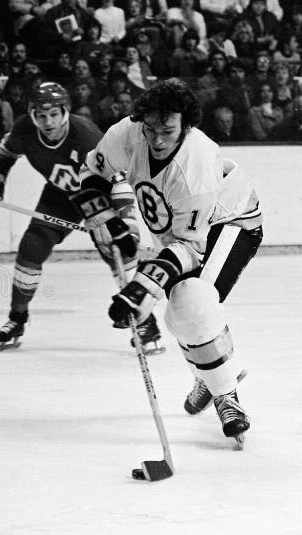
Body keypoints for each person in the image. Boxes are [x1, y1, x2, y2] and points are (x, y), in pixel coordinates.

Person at [72, 78, 262, 443]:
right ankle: (208, 375)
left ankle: (226, 396)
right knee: (180, 311)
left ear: (186, 126)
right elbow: (92, 173)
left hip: (230, 222)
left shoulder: (196, 166)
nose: (157, 140)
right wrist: (108, 219)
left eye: (168, 131)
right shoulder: (128, 134)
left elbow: (190, 246)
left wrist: (142, 286)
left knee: (191, 301)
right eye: (151, 129)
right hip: (181, 233)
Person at [0, 82, 165, 353]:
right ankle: (16, 320)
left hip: (99, 196)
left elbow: (118, 178)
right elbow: (5, 154)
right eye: (40, 115)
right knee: (31, 247)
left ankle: (146, 323)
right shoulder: (25, 128)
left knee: (119, 255)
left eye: (53, 114)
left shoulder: (85, 136)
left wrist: (126, 222)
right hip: (60, 195)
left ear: (65, 112)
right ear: (31, 113)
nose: (47, 121)